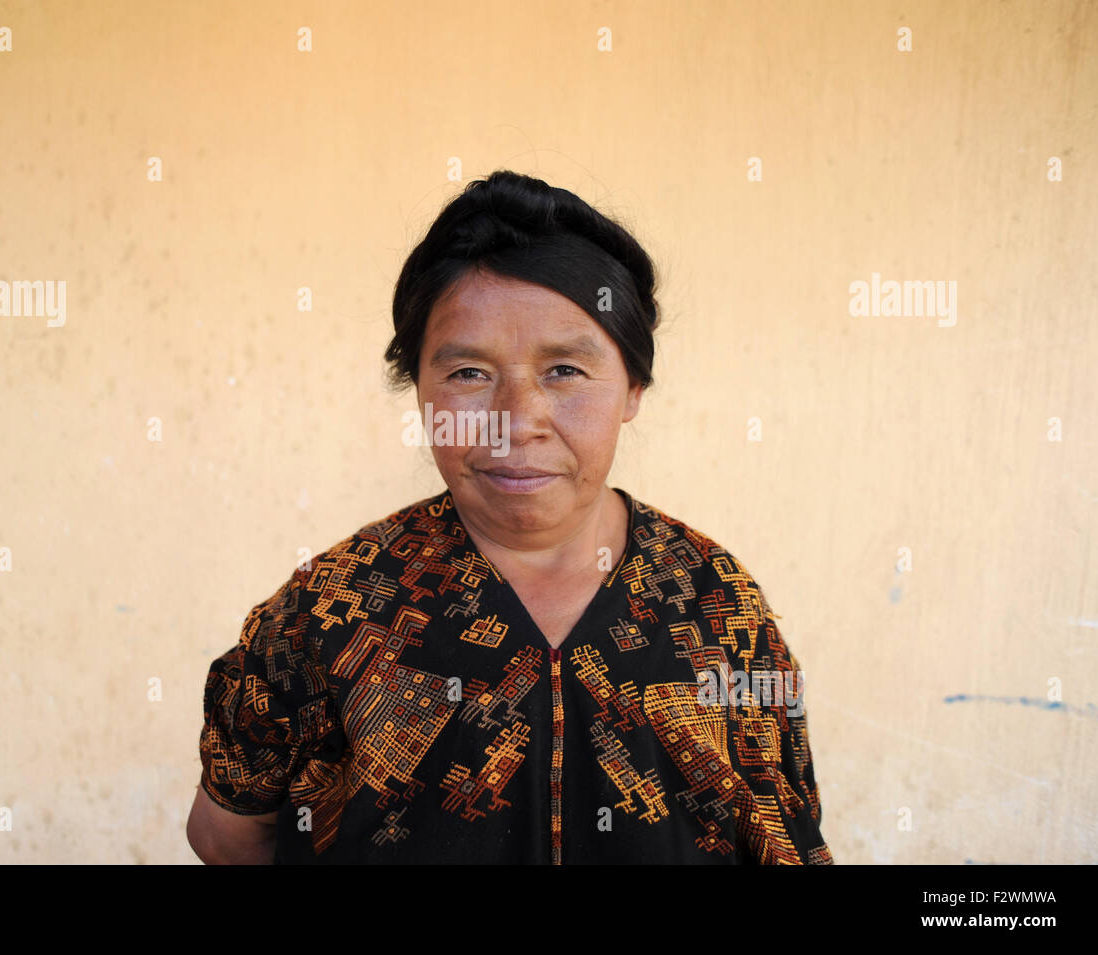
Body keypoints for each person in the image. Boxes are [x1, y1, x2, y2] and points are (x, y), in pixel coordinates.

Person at [186, 170, 834, 864]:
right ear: (420, 388)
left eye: (565, 371)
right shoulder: (328, 609)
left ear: (633, 388)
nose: (517, 422)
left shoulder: (715, 603)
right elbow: (227, 834)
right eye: (468, 374)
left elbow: (781, 838)